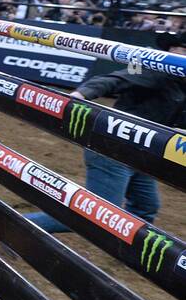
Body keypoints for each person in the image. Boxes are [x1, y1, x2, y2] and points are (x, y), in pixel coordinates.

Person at [26, 32, 186, 234]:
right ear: (172, 51)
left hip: (143, 154)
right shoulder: (155, 70)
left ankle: (128, 251)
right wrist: (77, 97)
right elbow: (114, 79)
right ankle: (14, 224)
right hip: (114, 148)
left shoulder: (180, 83)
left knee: (145, 208)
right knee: (92, 216)